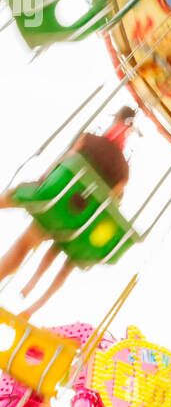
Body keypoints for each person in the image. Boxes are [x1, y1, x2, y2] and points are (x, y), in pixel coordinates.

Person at [0, 107, 136, 315]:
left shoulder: (88, 138)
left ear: (114, 120)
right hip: (70, 219)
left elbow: (63, 162)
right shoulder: (123, 172)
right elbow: (111, 205)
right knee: (33, 243)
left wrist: (42, 180)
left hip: (53, 198)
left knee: (15, 206)